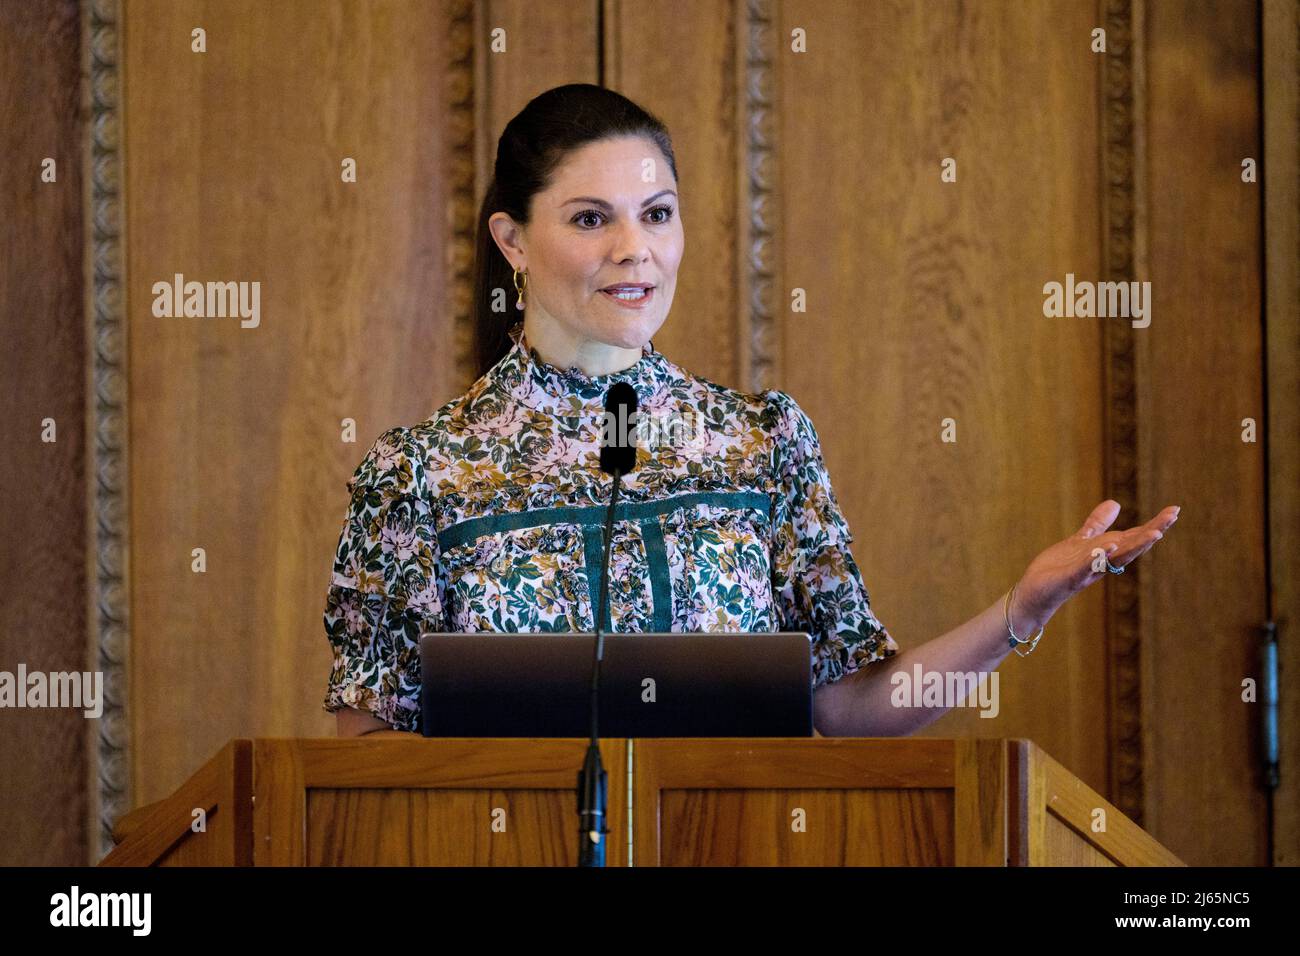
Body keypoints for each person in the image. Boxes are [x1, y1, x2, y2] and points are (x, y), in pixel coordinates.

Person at [323, 83, 1180, 738]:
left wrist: (1018, 611)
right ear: (512, 241)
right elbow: (362, 764)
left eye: (657, 214)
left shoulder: (759, 443)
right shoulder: (419, 474)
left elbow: (849, 706)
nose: (636, 250)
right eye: (591, 219)